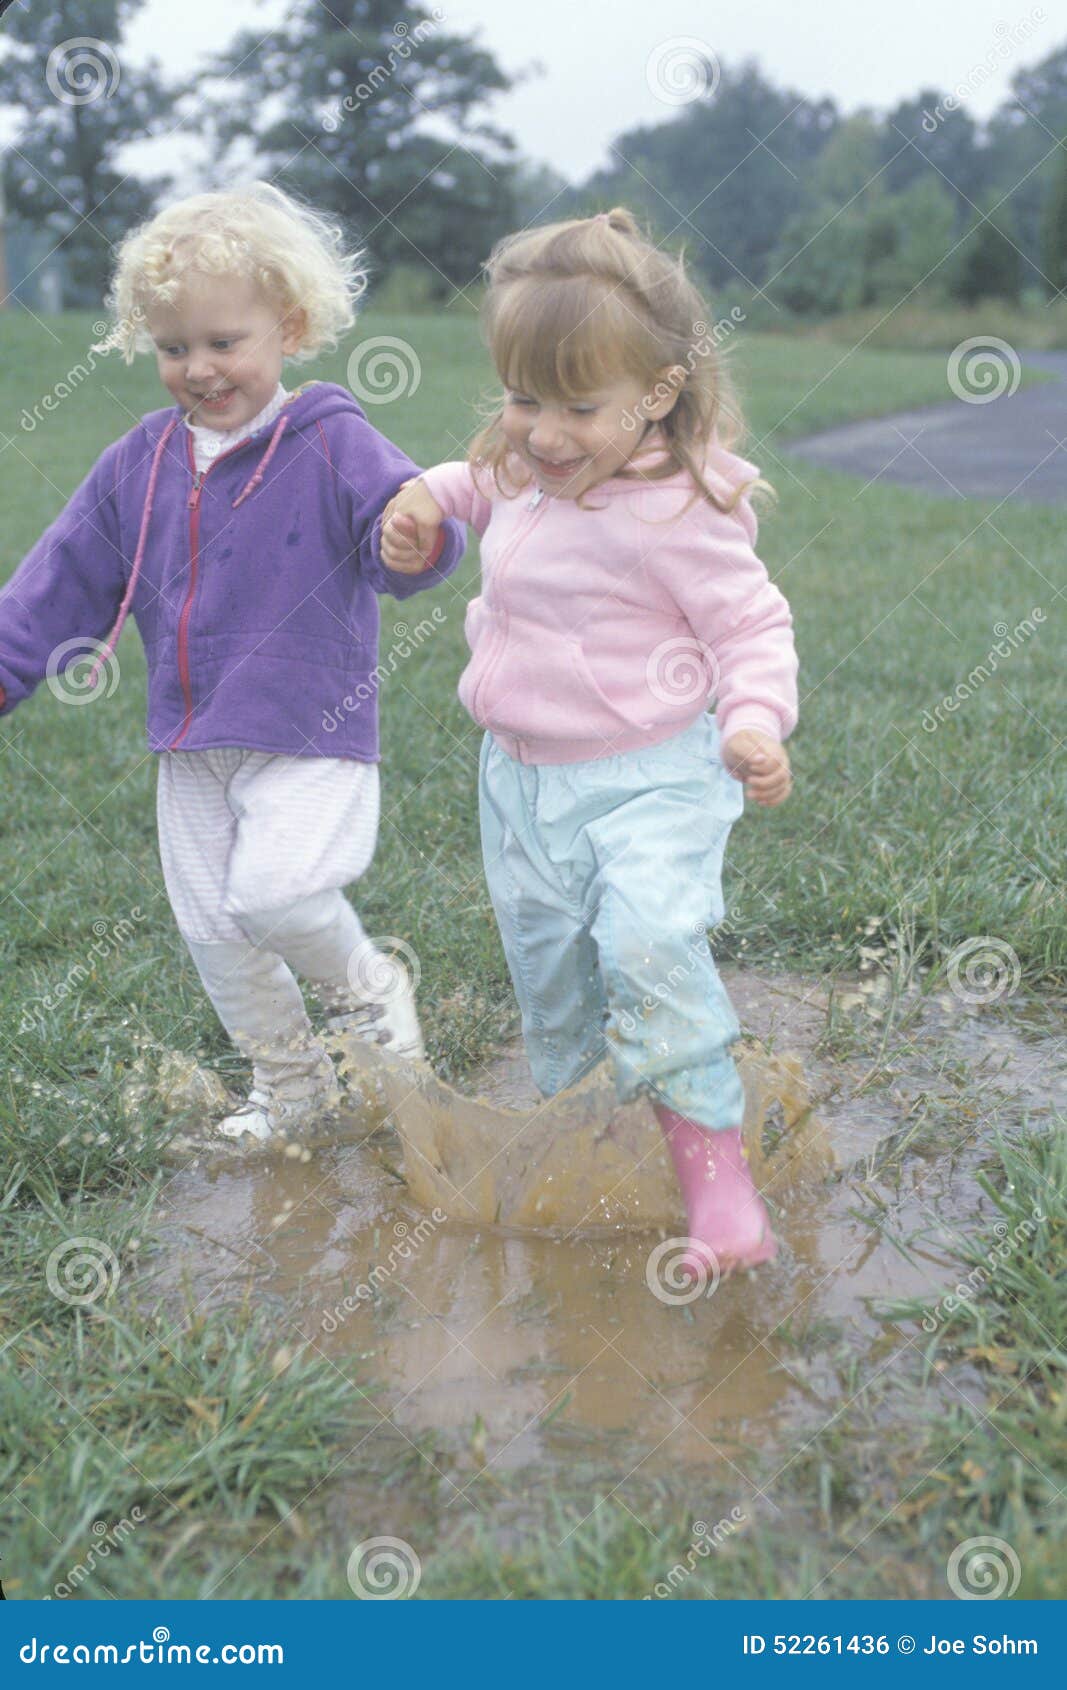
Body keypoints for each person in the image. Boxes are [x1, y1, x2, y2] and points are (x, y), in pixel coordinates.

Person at [379, 207, 797, 1275]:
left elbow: (749, 625)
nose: (544, 432)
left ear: (657, 393)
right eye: (522, 399)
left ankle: (720, 1188)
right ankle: (597, 1155)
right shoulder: (525, 469)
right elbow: (477, 482)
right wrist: (425, 497)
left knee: (647, 946)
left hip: (651, 775)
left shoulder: (681, 509)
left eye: (577, 405)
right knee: (554, 990)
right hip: (517, 787)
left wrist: (751, 721)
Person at [0, 182, 463, 1144]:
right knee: (215, 928)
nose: (199, 369)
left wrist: (416, 539)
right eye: (174, 347)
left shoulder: (331, 438)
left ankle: (370, 991)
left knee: (278, 895)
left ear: (288, 326)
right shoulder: (140, 459)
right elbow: (62, 579)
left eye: (223, 342)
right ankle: (290, 1090)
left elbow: (408, 527)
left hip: (310, 727)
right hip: (189, 737)